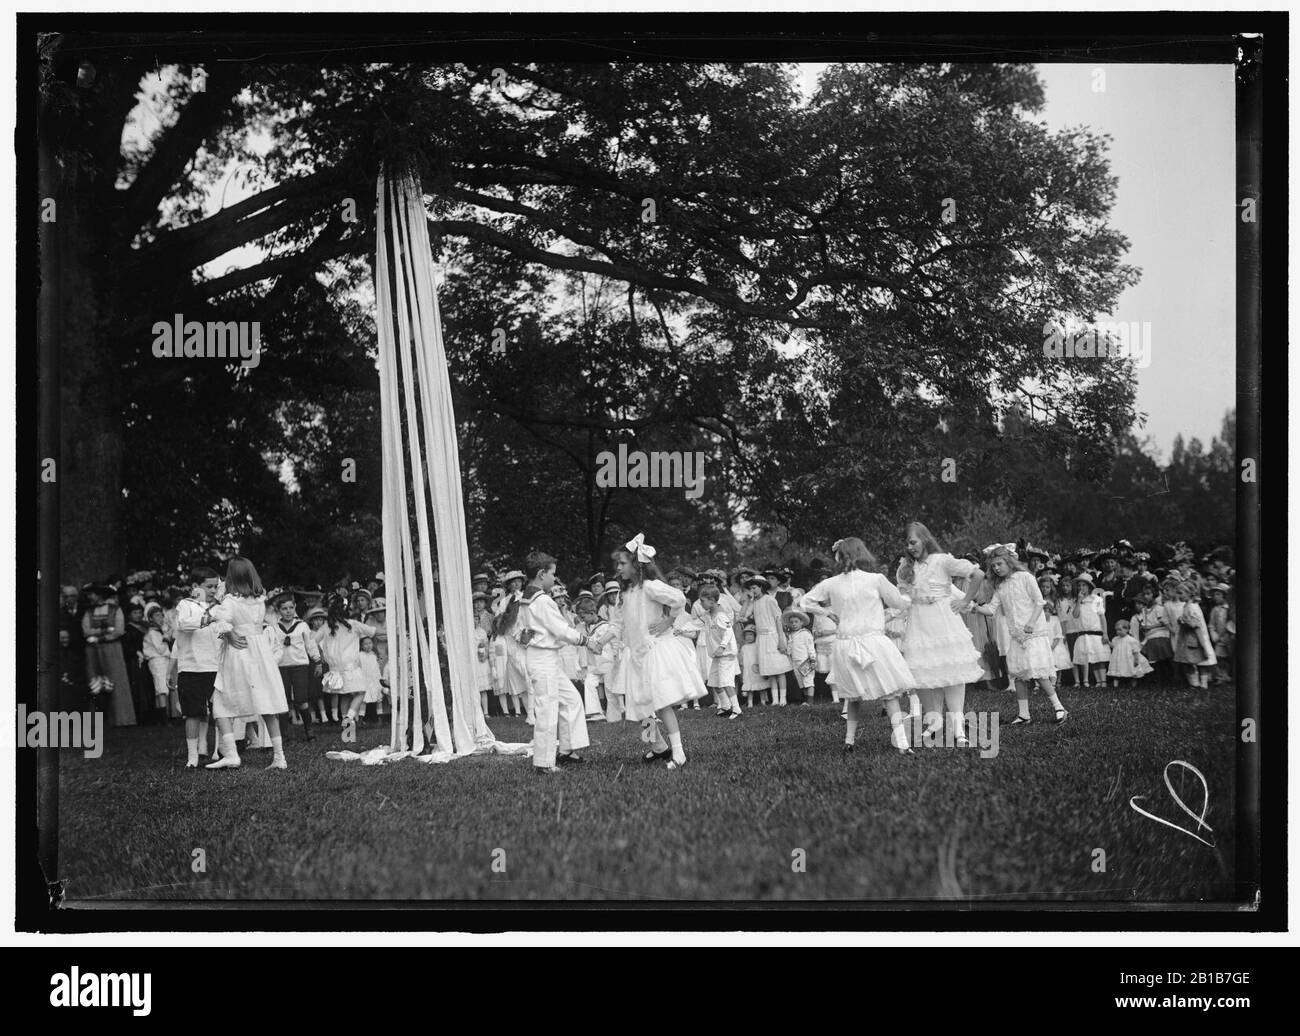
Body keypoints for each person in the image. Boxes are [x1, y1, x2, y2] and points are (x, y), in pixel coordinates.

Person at [798, 537, 918, 754]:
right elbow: (900, 603)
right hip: (871, 642)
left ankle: (850, 741)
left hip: (847, 643)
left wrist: (827, 613)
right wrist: (888, 614)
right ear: (862, 553)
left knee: (853, 696)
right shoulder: (875, 579)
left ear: (839, 556)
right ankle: (901, 744)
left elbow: (805, 601)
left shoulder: (831, 583)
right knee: (888, 692)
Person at [597, 533, 706, 770]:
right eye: (618, 563)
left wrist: (669, 622)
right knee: (641, 707)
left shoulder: (650, 587)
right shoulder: (624, 595)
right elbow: (617, 624)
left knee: (662, 702)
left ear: (637, 565)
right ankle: (658, 747)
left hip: (654, 650)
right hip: (635, 655)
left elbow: (678, 598)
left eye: (623, 563)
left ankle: (678, 752)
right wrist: (600, 641)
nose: (618, 568)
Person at [895, 522, 984, 742]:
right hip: (918, 622)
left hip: (944, 621)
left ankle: (958, 728)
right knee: (922, 672)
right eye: (907, 543)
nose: (910, 547)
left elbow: (978, 574)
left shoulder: (942, 560)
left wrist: (965, 601)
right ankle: (935, 722)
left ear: (924, 539)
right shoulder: (905, 569)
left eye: (913, 541)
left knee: (952, 672)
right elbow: (903, 596)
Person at [508, 551, 590, 774]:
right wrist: (585, 641)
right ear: (542, 574)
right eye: (553, 574)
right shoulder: (542, 600)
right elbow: (561, 629)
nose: (555, 578)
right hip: (542, 660)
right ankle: (544, 763)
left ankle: (567, 750)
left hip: (545, 658)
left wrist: (528, 636)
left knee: (572, 700)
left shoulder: (525, 598)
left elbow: (518, 632)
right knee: (547, 710)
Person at [205, 557, 290, 770]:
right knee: (266, 701)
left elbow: (218, 620)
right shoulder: (260, 600)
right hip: (260, 651)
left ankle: (232, 754)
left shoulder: (230, 602)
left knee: (222, 701)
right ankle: (279, 756)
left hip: (240, 652)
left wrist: (229, 633)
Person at [973, 545, 1070, 725]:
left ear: (1009, 562)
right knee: (1018, 674)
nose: (996, 568)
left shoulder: (1026, 577)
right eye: (993, 566)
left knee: (1038, 672)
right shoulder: (1000, 586)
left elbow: (1039, 602)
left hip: (1033, 632)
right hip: (1017, 635)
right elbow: (991, 609)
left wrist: (1031, 623)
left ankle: (1059, 707)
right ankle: (1024, 714)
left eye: (999, 564)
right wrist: (975, 608)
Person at [312, 591, 378, 734]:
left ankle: (346, 725)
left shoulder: (326, 627)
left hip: (334, 668)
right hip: (350, 668)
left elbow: (312, 642)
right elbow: (373, 631)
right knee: (360, 692)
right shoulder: (352, 624)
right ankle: (349, 717)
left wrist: (321, 656)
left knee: (346, 695)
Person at [81, 582, 138, 728]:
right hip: (93, 649)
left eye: (91, 593)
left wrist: (100, 635)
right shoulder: (89, 611)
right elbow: (86, 630)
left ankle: (121, 718)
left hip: (112, 648)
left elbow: (119, 630)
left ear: (99, 595)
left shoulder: (115, 609)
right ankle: (97, 721)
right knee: (95, 680)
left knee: (116, 678)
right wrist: (106, 630)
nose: (89, 597)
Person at [272, 588, 322, 741]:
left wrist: (317, 661)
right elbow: (271, 647)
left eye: (290, 608)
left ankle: (309, 729)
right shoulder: (274, 628)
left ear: (294, 608)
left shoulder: (301, 626)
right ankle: (284, 734)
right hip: (281, 667)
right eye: (284, 608)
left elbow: (310, 645)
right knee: (283, 700)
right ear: (279, 610)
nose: (288, 611)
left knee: (301, 700)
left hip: (299, 666)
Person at [742, 574, 790, 706]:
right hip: (761, 639)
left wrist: (781, 640)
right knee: (770, 670)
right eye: (751, 588)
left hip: (773, 636)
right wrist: (748, 601)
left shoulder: (770, 600)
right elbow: (744, 617)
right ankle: (775, 699)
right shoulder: (754, 602)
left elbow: (778, 619)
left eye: (754, 588)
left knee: (779, 670)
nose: (752, 591)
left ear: (761, 587)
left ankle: (783, 698)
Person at [698, 584, 741, 718]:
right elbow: (696, 623)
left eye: (702, 601)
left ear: (711, 601)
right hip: (717, 656)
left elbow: (728, 632)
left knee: (726, 682)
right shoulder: (707, 615)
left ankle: (736, 708)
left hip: (726, 654)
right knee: (715, 682)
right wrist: (682, 629)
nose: (701, 604)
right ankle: (726, 706)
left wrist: (722, 646)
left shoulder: (721, 616)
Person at [1171, 580, 1216, 689]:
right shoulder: (1188, 605)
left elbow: (1195, 625)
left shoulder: (1192, 607)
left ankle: (1202, 684)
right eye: (1177, 593)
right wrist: (1181, 620)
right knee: (1191, 660)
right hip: (1189, 637)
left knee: (1200, 660)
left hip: (1195, 637)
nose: (1178, 595)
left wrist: (1184, 622)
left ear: (1189, 593)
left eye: (1180, 593)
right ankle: (1195, 683)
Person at [1069, 571, 1111, 688]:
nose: (1081, 588)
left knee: (1099, 658)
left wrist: (1105, 633)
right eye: (1079, 586)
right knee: (1091, 658)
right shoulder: (1076, 601)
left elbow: (1102, 617)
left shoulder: (1096, 599)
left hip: (1096, 633)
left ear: (1089, 586)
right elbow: (1075, 615)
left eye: (1084, 585)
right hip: (1084, 634)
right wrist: (1078, 600)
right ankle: (1098, 681)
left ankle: (1103, 681)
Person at [1135, 585, 1175, 684]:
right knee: (1144, 647)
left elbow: (1163, 622)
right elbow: (1144, 624)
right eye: (1144, 594)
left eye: (1148, 594)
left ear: (1154, 595)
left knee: (1155, 644)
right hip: (1150, 635)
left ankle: (1167, 677)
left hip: (1160, 633)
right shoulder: (1144, 610)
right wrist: (1144, 627)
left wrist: (1150, 627)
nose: (1146, 596)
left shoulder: (1158, 608)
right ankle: (1156, 676)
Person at [141, 603, 172, 724]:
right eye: (157, 616)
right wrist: (165, 638)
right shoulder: (153, 632)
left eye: (161, 615)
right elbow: (160, 649)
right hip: (157, 660)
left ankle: (163, 716)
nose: (160, 618)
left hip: (163, 660)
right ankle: (164, 718)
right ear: (150, 618)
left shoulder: (159, 630)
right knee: (161, 687)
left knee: (162, 687)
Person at [784, 606, 817, 706]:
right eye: (792, 622)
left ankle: (810, 702)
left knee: (808, 681)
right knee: (801, 683)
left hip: (806, 661)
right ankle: (806, 700)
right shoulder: (791, 635)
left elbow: (811, 647)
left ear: (801, 622)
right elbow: (789, 650)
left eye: (796, 622)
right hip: (795, 662)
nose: (794, 624)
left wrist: (813, 660)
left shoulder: (805, 633)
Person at [1106, 619, 1152, 689]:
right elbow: (1113, 646)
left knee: (1133, 671)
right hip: (1118, 659)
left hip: (1129, 658)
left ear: (1127, 630)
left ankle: (1133, 686)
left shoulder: (1131, 640)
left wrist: (1136, 660)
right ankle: (1115, 686)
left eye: (1120, 630)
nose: (1118, 632)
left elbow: (1135, 650)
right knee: (1116, 672)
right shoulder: (1115, 639)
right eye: (1117, 630)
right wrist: (1108, 642)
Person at [1207, 583, 1235, 686]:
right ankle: (1221, 676)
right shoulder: (1215, 610)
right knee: (1219, 657)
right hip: (1219, 639)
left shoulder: (1230, 609)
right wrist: (1213, 634)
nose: (1215, 597)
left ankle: (1230, 676)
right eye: (1214, 595)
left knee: (1231, 658)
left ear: (1225, 595)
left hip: (1230, 638)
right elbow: (1211, 625)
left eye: (1218, 594)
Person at [738, 623, 766, 708]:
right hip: (748, 670)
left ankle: (763, 701)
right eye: (746, 635)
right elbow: (741, 660)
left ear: (755, 636)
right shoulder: (744, 647)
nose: (749, 637)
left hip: (756, 668)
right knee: (749, 688)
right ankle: (750, 703)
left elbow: (760, 656)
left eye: (751, 634)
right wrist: (742, 669)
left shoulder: (757, 646)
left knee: (761, 686)